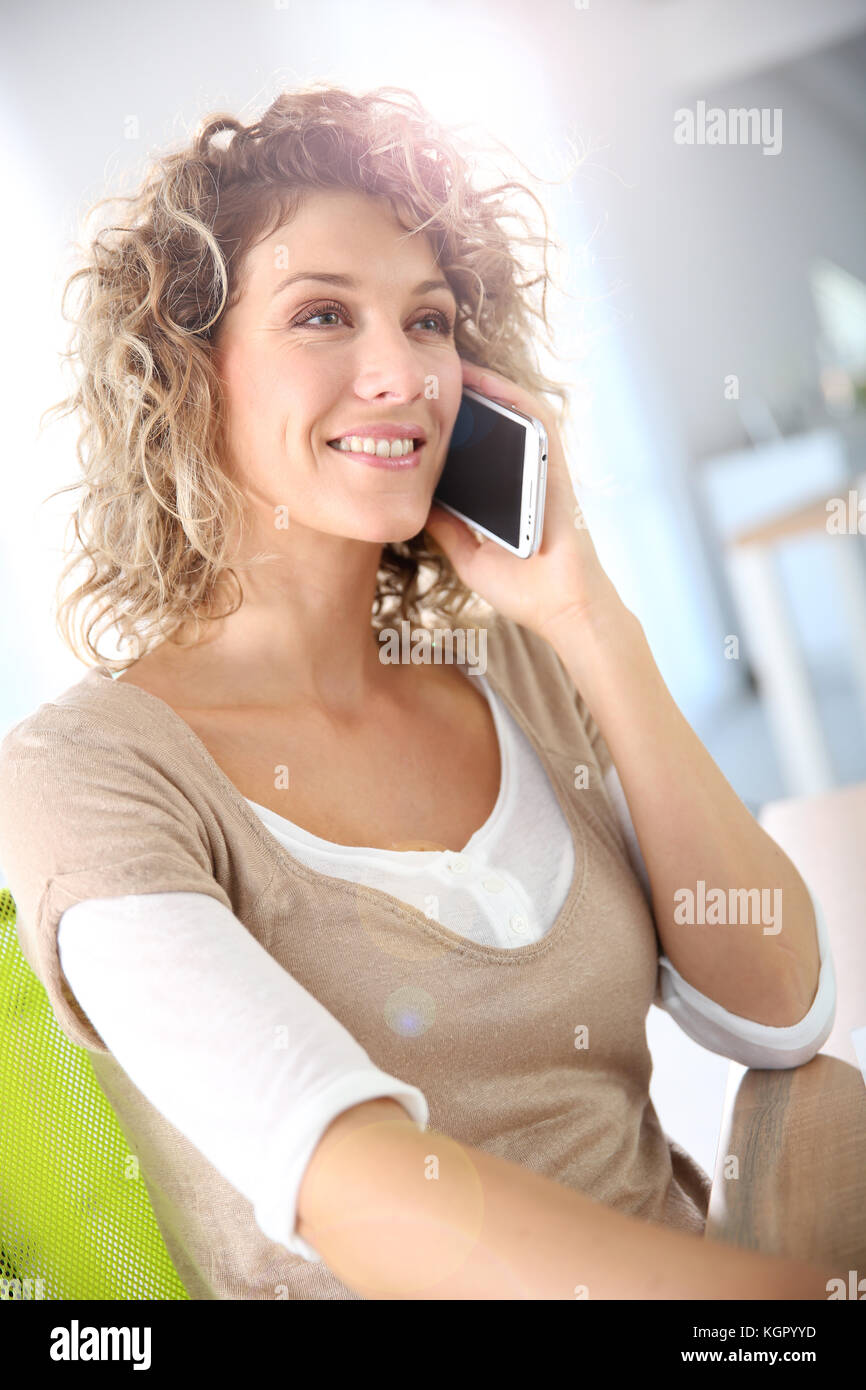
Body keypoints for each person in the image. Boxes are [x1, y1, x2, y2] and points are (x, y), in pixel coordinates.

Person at [0, 83, 836, 1301]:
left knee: (831, 1101)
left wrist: (585, 617)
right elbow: (355, 1189)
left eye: (429, 321)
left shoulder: (517, 665)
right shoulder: (85, 772)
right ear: (185, 371)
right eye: (322, 314)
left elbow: (776, 1012)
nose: (400, 374)